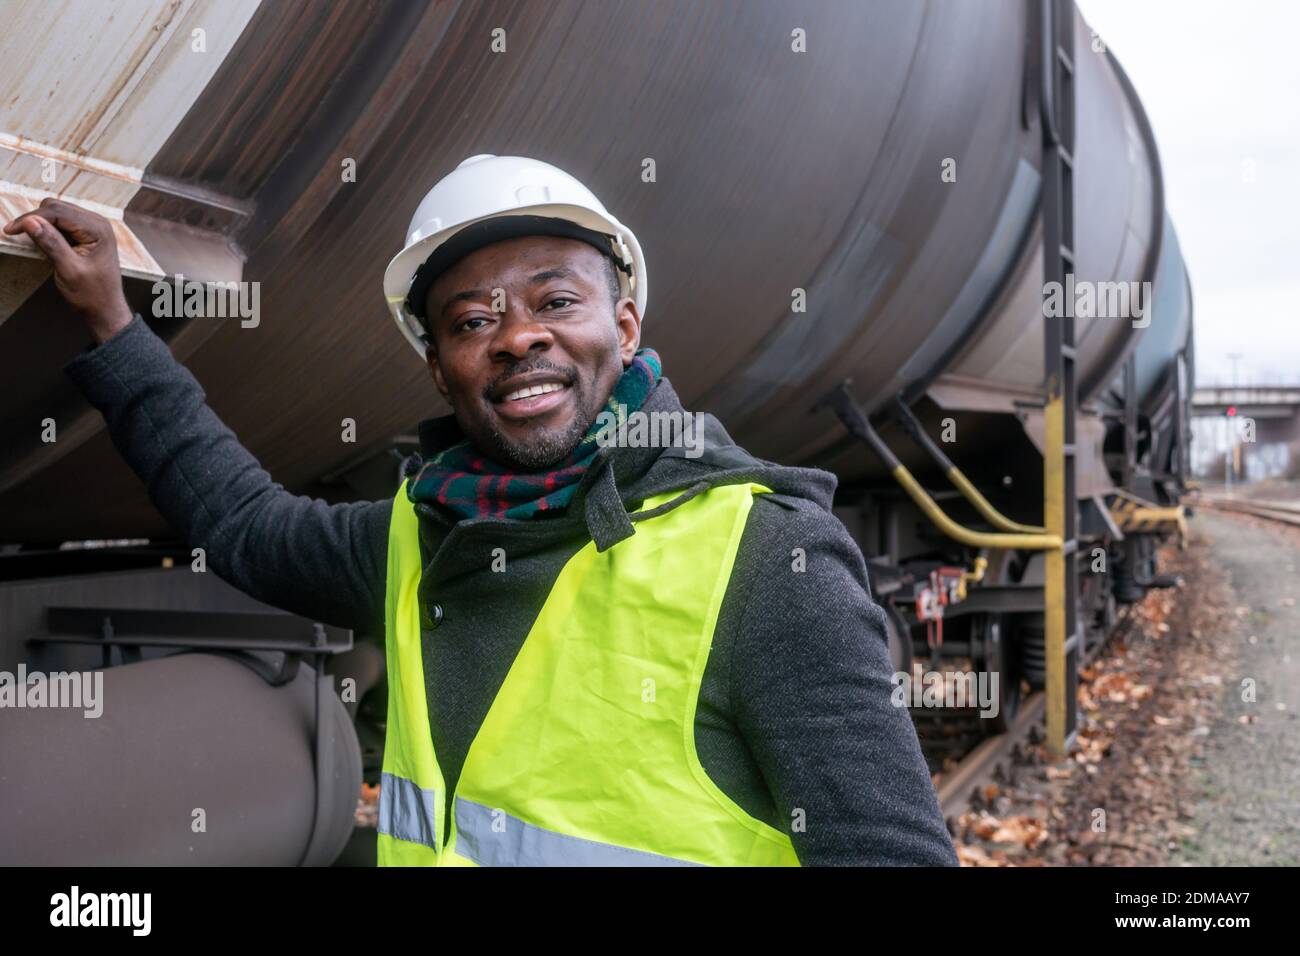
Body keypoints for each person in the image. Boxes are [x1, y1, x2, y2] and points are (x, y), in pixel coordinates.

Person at [4, 155, 957, 867]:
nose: (517, 338)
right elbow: (246, 525)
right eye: (472, 320)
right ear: (439, 368)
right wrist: (114, 329)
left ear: (624, 327)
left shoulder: (762, 558)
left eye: (556, 300)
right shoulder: (420, 537)